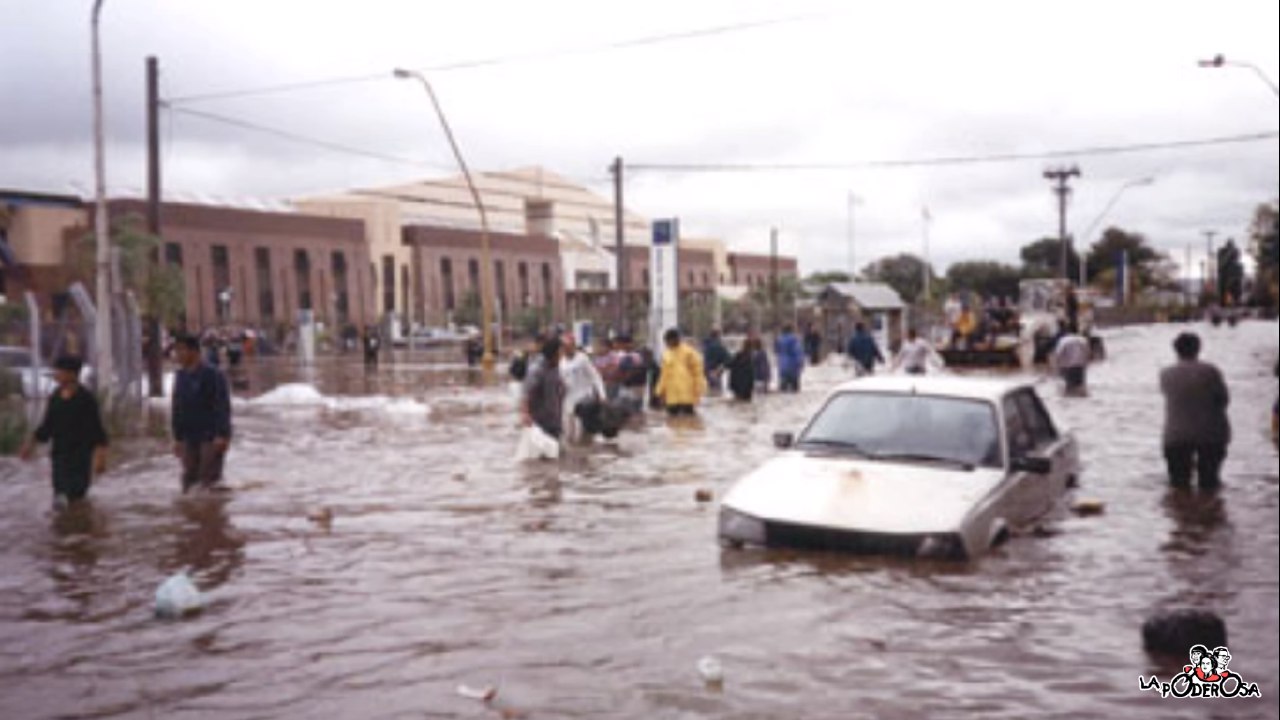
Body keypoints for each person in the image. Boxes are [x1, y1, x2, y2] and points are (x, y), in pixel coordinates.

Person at [19, 356, 108, 508]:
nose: (56, 374)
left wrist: (100, 458)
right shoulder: (55, 396)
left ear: (72, 374)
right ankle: (65, 527)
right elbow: (47, 426)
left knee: (76, 497)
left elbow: (97, 430)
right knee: (60, 496)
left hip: (80, 458)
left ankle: (78, 526)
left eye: (60, 371)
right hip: (59, 456)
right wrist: (30, 444)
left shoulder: (86, 399)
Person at [1160, 332, 1230, 490]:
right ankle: (1209, 511)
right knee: (1209, 484)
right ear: (1198, 348)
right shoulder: (1211, 371)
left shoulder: (1165, 374)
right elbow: (1224, 400)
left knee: (1178, 485)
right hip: (1211, 434)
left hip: (1176, 435)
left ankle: (1181, 512)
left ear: (1176, 350)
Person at [172, 334, 233, 493]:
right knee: (188, 479)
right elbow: (177, 407)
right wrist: (177, 438)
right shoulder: (181, 376)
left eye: (181, 350)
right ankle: (191, 515)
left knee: (209, 481)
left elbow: (222, 405)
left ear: (194, 351)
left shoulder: (213, 374)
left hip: (210, 436)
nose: (177, 354)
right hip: (188, 436)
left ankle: (212, 514)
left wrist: (223, 434)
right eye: (176, 350)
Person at [560, 334, 606, 441]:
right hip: (568, 401)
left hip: (584, 399)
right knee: (569, 434)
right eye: (564, 346)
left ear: (574, 346)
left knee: (584, 431)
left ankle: (587, 447)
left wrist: (602, 395)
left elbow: (596, 376)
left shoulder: (582, 359)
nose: (566, 349)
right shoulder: (561, 362)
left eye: (569, 346)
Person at [654, 329, 707, 416]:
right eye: (666, 342)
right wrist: (659, 391)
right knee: (672, 421)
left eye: (667, 341)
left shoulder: (690, 353)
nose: (667, 344)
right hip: (671, 396)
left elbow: (698, 373)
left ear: (675, 339)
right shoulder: (666, 354)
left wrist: (699, 388)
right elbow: (664, 375)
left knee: (689, 421)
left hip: (687, 395)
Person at [522, 337, 565, 439]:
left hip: (554, 419)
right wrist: (525, 413)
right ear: (553, 353)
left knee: (555, 450)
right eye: (560, 352)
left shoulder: (556, 367)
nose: (562, 355)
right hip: (539, 419)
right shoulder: (537, 369)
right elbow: (526, 392)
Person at [1051, 330, 1091, 396]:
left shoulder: (1063, 340)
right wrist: (1085, 365)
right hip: (1080, 367)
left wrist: (1056, 367)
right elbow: (1088, 353)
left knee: (1068, 388)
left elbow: (1058, 354)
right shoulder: (1083, 339)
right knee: (1080, 386)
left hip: (1068, 367)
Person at [775, 325, 805, 393]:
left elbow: (777, 351)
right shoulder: (794, 340)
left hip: (782, 364)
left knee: (783, 388)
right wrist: (801, 362)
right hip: (793, 365)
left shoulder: (779, 340)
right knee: (794, 389)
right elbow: (797, 351)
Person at [701, 329, 731, 396]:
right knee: (717, 392)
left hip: (706, 371)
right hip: (715, 372)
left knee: (709, 390)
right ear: (718, 336)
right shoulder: (719, 346)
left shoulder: (706, 345)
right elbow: (729, 359)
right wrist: (721, 368)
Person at [727, 338, 757, 402]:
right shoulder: (751, 357)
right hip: (746, 386)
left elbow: (730, 364)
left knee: (737, 401)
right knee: (746, 402)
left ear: (743, 345)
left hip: (736, 384)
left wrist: (719, 369)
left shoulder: (739, 355)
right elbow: (751, 374)